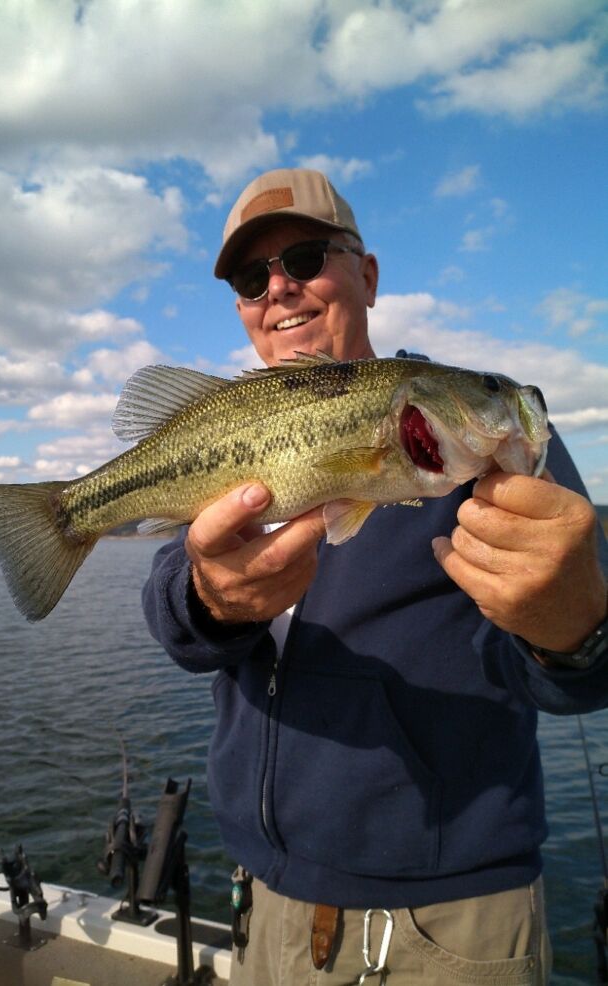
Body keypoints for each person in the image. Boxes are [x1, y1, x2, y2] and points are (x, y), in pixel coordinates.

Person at [142, 168, 608, 985]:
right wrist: (209, 600)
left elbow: (580, 674)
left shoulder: (489, 447)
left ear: (367, 274)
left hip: (443, 921)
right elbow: (176, 625)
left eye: (305, 258)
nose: (278, 288)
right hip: (263, 901)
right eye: (251, 279)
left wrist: (577, 628)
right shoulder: (235, 434)